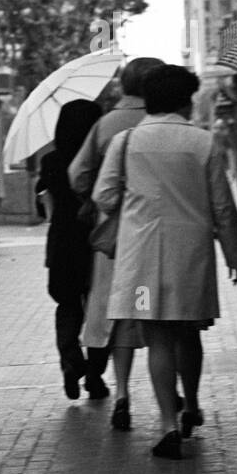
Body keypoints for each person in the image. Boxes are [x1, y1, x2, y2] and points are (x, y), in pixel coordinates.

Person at [94, 65, 237, 460]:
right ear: (184, 100)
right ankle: (191, 405)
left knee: (157, 338)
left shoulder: (127, 141)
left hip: (141, 257)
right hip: (190, 255)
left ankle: (167, 425)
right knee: (188, 332)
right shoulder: (203, 142)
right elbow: (222, 206)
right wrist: (236, 254)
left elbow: (103, 197)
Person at [68, 55, 164, 431]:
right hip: (161, 230)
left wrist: (98, 197)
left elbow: (78, 175)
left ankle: (122, 394)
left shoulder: (106, 124)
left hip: (116, 234)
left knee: (121, 312)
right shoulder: (167, 122)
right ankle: (174, 396)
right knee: (165, 314)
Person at [35, 99, 109, 401]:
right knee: (99, 310)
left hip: (62, 244)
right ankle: (94, 376)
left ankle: (70, 360)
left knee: (66, 306)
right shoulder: (100, 160)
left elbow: (41, 207)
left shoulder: (50, 161)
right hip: (96, 242)